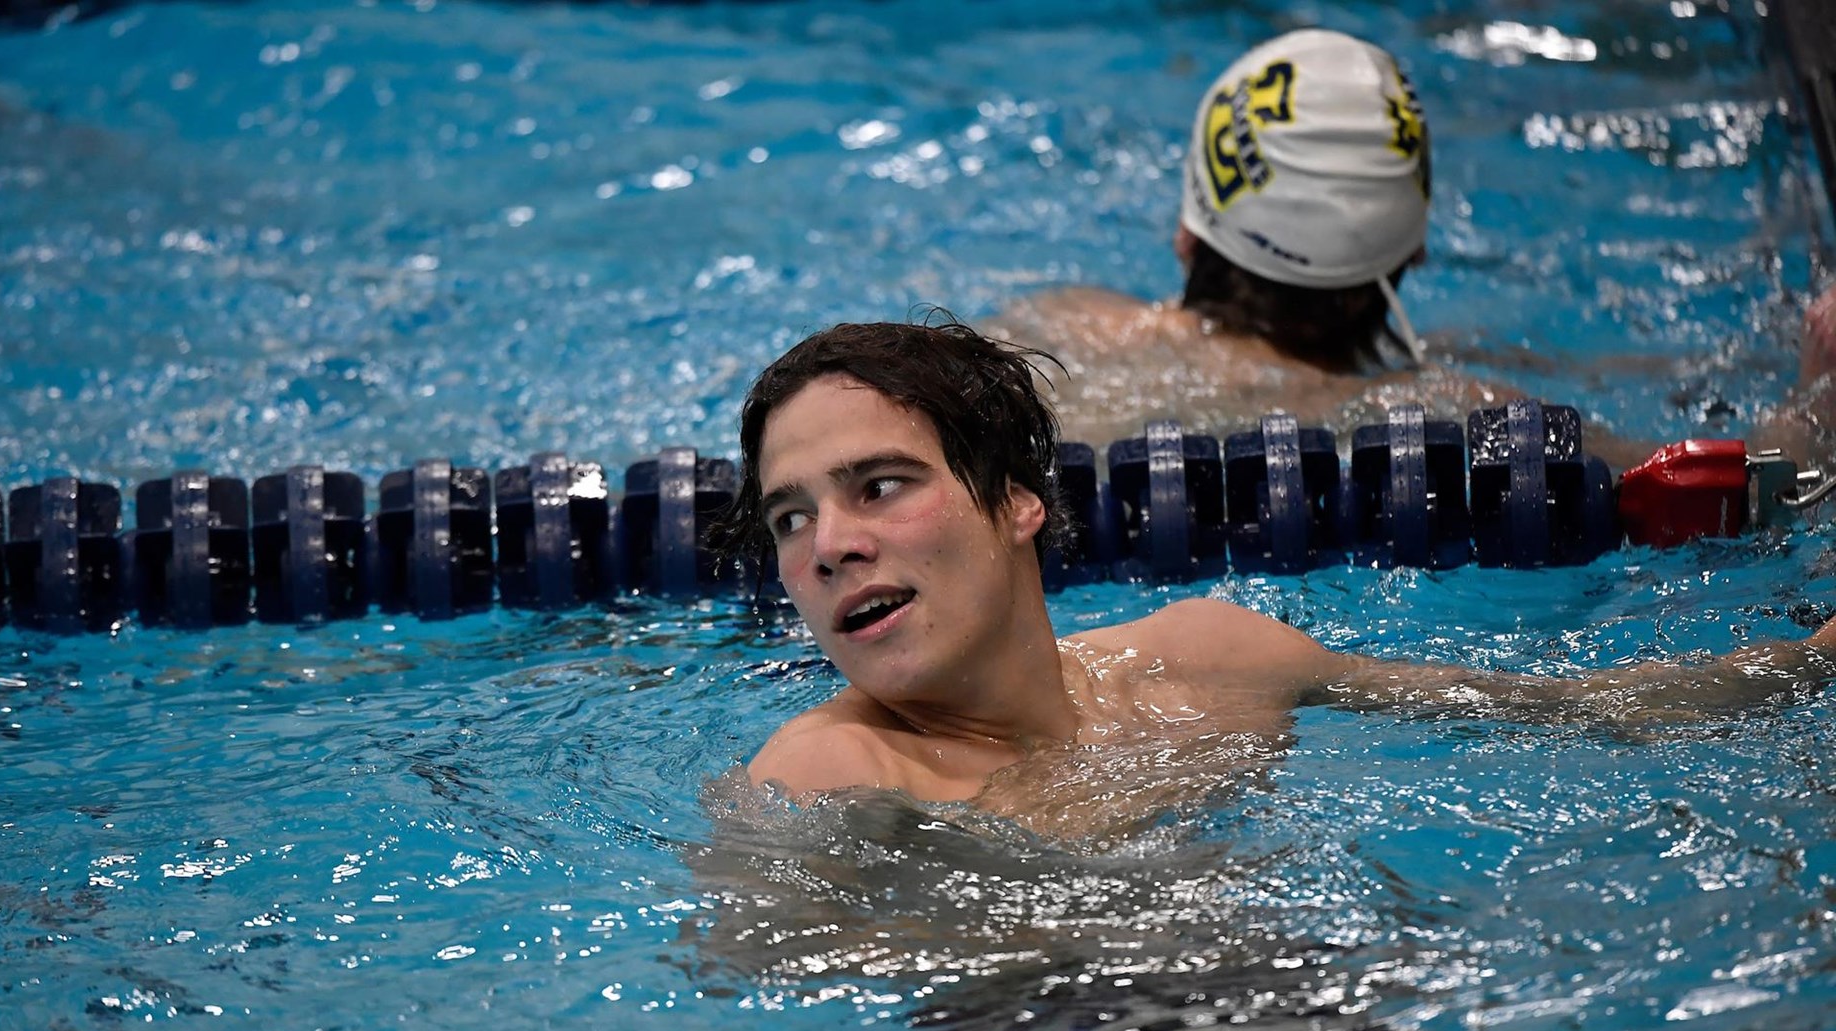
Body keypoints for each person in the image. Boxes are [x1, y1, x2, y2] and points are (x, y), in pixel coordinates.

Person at [714, 317, 1835, 832]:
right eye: (790, 515)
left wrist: (1814, 661)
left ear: (1016, 498)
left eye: (878, 486)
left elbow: (1565, 716)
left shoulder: (1214, 656)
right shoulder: (822, 785)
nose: (827, 545)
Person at [984, 28, 1836, 472]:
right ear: (1410, 260)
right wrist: (1812, 397)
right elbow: (1741, 482)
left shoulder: (1053, 324)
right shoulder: (1448, 410)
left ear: (1185, 234)